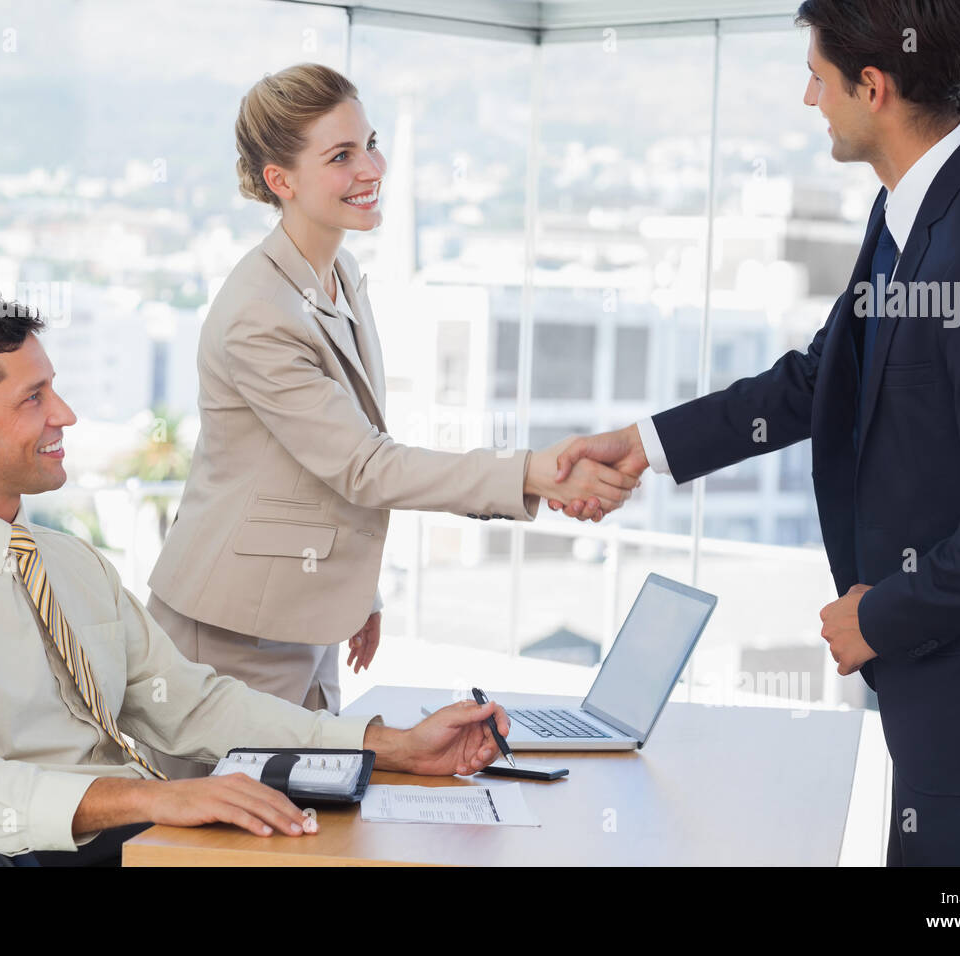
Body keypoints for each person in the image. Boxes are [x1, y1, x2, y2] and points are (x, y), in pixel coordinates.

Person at [549, 0, 960, 866]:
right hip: (942, 685)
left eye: (818, 78)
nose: (810, 99)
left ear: (873, 88)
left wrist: (880, 617)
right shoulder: (914, 209)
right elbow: (825, 380)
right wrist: (649, 443)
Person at [0, 299, 515, 867]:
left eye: (54, 388)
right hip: (13, 859)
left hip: (138, 837)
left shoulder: (69, 563)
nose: (65, 415)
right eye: (34, 398)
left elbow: (195, 706)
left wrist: (393, 744)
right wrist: (149, 800)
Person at [145, 62, 636, 754]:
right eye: (340, 156)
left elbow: (322, 459)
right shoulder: (259, 313)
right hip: (234, 627)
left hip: (297, 609)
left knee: (306, 825)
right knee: (222, 843)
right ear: (280, 180)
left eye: (369, 143)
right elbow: (363, 464)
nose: (371, 167)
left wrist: (355, 592)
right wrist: (533, 472)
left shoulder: (336, 272)